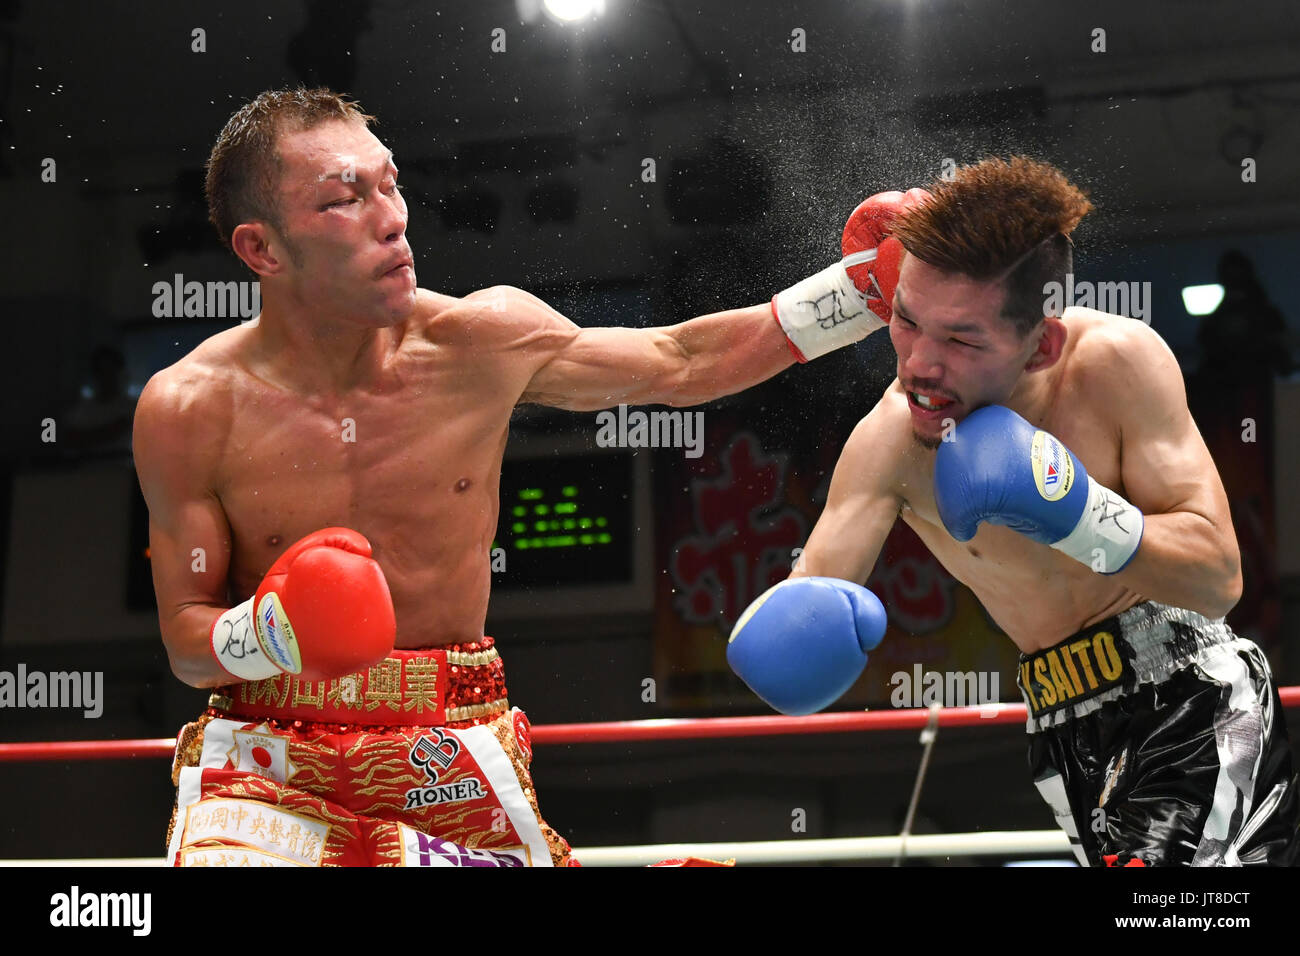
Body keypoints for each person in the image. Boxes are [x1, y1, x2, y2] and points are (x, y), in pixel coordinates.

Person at [132, 87, 916, 867]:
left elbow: (680, 362)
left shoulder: (479, 342)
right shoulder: (192, 409)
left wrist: (855, 295)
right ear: (261, 250)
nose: (392, 216)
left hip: (450, 743)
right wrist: (270, 629)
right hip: (269, 760)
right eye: (345, 199)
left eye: (390, 183)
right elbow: (187, 640)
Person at [728, 156, 1299, 866]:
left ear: (1041, 343)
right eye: (907, 323)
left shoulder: (1113, 364)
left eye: (963, 340)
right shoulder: (890, 443)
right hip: (1059, 728)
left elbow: (1218, 578)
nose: (919, 365)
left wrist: (1075, 510)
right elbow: (803, 616)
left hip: (1187, 693)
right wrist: (791, 625)